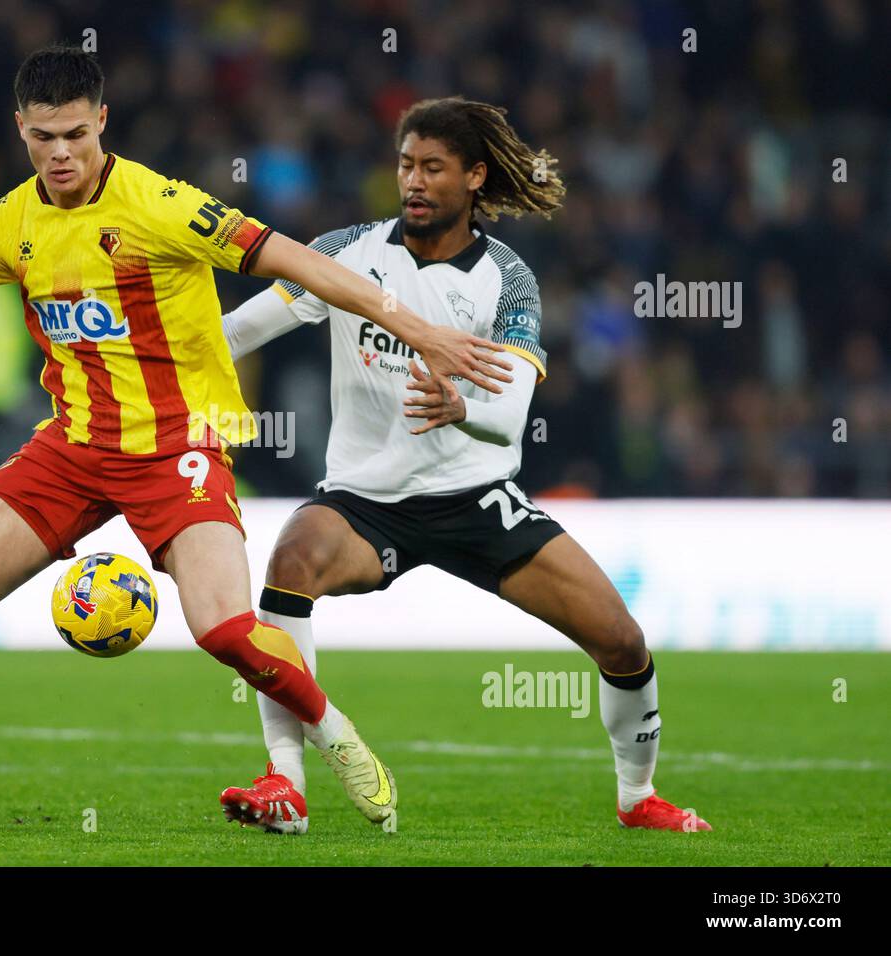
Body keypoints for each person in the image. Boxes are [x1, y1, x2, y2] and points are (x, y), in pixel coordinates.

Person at [0, 48, 513, 829]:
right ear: (19, 129)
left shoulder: (161, 206)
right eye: (41, 139)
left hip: (177, 447)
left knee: (224, 628)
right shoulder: (4, 223)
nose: (59, 154)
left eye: (73, 135)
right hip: (73, 448)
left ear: (102, 121)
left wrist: (418, 329)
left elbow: (299, 265)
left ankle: (338, 736)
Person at [218, 96, 711, 834]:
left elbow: (509, 417)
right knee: (291, 560)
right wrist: (158, 363)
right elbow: (244, 327)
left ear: (475, 177)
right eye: (405, 164)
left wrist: (462, 410)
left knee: (622, 640)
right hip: (363, 501)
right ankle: (285, 784)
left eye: (433, 168)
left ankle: (638, 798)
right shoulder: (348, 251)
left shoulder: (507, 282)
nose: (413, 181)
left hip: (474, 499)